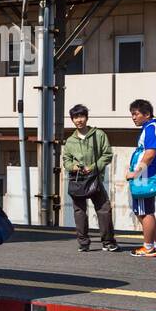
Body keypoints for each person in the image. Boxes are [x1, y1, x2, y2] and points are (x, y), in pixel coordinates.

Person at [62, 104, 117, 252]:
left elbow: (107, 154)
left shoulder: (99, 134)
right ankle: (83, 243)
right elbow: (66, 160)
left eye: (81, 116)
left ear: (86, 117)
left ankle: (108, 242)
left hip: (94, 178)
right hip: (78, 179)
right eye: (75, 117)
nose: (78, 120)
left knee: (104, 209)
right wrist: (73, 166)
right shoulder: (70, 140)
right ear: (72, 120)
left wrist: (92, 167)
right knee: (79, 211)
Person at [126, 99, 156, 258]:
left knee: (144, 213)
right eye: (132, 114)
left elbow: (150, 154)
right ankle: (155, 245)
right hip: (147, 175)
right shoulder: (153, 128)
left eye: (136, 114)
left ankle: (148, 247)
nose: (133, 117)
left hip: (145, 176)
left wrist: (136, 173)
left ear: (147, 114)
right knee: (146, 211)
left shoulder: (151, 129)